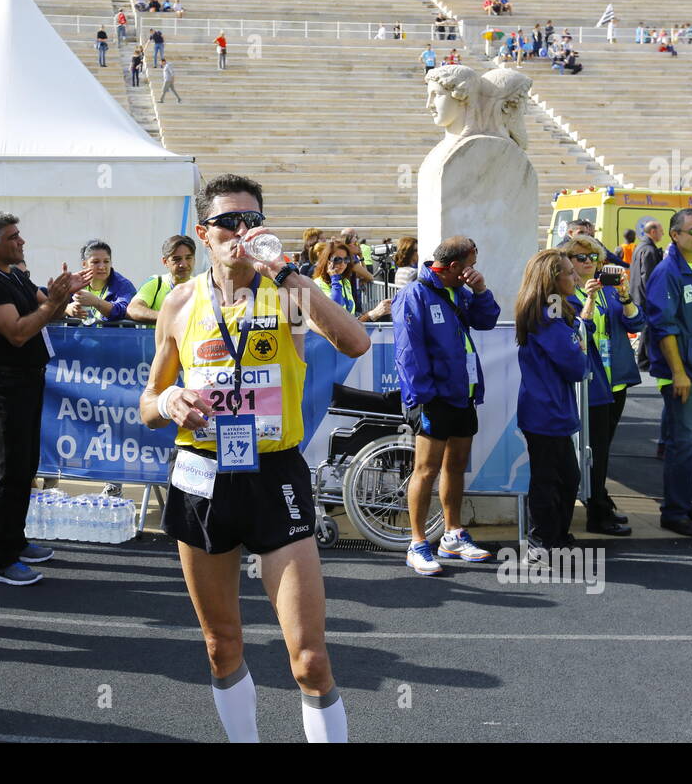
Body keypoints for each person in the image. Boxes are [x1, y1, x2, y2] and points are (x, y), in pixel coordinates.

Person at [140, 173, 367, 743]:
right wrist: (170, 400)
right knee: (221, 647)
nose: (240, 232)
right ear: (203, 232)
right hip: (201, 474)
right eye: (227, 222)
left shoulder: (287, 293)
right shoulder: (180, 301)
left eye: (251, 220)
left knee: (309, 660)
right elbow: (147, 403)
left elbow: (355, 342)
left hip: (273, 473)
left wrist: (288, 271)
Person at [0, 211, 88, 586]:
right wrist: (53, 304)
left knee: (24, 467)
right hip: (0, 385)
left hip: (24, 383)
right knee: (8, 471)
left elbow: (45, 304)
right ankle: (0, 561)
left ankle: (15, 542)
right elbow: (19, 332)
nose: (22, 242)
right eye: (13, 237)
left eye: (19, 235)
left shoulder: (13, 274)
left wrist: (62, 295)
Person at [393, 236, 500, 575]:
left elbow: (487, 320)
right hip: (433, 399)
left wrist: (481, 290)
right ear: (453, 266)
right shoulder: (414, 294)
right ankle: (417, 543)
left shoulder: (458, 289)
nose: (473, 271)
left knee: (455, 466)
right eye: (470, 265)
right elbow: (408, 352)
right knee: (425, 470)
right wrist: (424, 397)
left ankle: (452, 535)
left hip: (462, 393)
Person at [644, 210, 692, 538]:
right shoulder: (667, 271)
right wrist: (678, 372)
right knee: (681, 442)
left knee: (687, 443)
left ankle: (684, 503)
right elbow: (664, 326)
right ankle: (674, 512)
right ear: (674, 235)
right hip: (683, 373)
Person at [561, 235, 640, 536]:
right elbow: (579, 332)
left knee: (603, 449)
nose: (588, 263)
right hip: (589, 383)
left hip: (613, 381)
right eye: (581, 258)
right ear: (568, 261)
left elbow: (636, 324)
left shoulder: (607, 292)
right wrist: (590, 299)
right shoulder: (568, 294)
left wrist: (625, 296)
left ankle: (601, 504)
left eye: (593, 258)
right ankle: (597, 511)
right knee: (592, 450)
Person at [515, 249, 589, 557]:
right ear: (552, 279)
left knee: (564, 478)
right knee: (551, 480)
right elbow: (575, 364)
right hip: (546, 411)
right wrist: (582, 352)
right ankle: (543, 543)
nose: (576, 277)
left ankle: (554, 538)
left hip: (549, 408)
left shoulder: (550, 311)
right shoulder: (548, 315)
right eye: (569, 272)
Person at [311, 240, 389, 323]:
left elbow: (349, 319)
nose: (343, 264)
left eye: (346, 259)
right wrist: (334, 278)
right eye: (337, 259)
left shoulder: (345, 282)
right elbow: (335, 311)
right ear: (327, 261)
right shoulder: (318, 284)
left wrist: (373, 314)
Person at [65, 239, 137, 324]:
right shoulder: (75, 283)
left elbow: (124, 311)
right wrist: (67, 309)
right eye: (96, 262)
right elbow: (52, 308)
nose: (102, 267)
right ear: (84, 264)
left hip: (113, 336)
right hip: (79, 336)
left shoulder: (123, 285)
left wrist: (96, 302)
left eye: (106, 261)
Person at [128, 234, 196, 323]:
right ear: (165, 262)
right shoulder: (156, 283)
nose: (183, 264)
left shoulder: (202, 286)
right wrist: (168, 318)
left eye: (188, 258)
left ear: (194, 259)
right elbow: (133, 309)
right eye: (177, 259)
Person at [630, 218, 664, 369]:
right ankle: (644, 360)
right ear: (653, 232)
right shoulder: (649, 250)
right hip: (645, 295)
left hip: (637, 293)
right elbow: (648, 277)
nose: (663, 234)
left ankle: (644, 359)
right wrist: (653, 297)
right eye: (661, 231)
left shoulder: (640, 247)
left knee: (647, 328)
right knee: (648, 329)